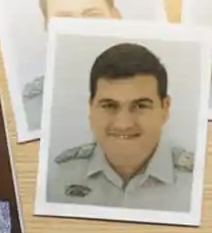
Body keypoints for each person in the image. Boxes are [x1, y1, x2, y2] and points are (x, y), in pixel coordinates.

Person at [47, 42, 194, 213]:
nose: (123, 124)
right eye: (109, 106)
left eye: (140, 106)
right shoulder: (58, 175)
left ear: (165, 108)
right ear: (91, 107)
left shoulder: (196, 183)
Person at [23, 0, 122, 131]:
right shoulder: (32, 106)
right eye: (64, 19)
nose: (80, 28)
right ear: (47, 27)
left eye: (92, 15)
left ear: (116, 17)